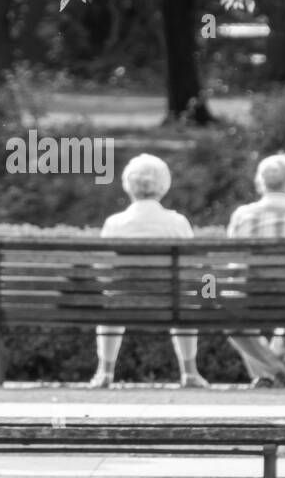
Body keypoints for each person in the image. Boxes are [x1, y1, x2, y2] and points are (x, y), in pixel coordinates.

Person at [88, 153, 209, 389]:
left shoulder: (115, 223)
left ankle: (104, 372)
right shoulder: (177, 223)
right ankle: (190, 372)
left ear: (128, 186)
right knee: (185, 302)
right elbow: (194, 266)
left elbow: (103, 270)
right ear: (163, 186)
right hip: (171, 302)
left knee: (111, 303)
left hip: (122, 302)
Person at [226, 152, 285, 388]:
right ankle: (280, 374)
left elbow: (234, 264)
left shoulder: (242, 216)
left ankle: (268, 375)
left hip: (250, 299)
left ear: (260, 183)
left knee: (229, 319)